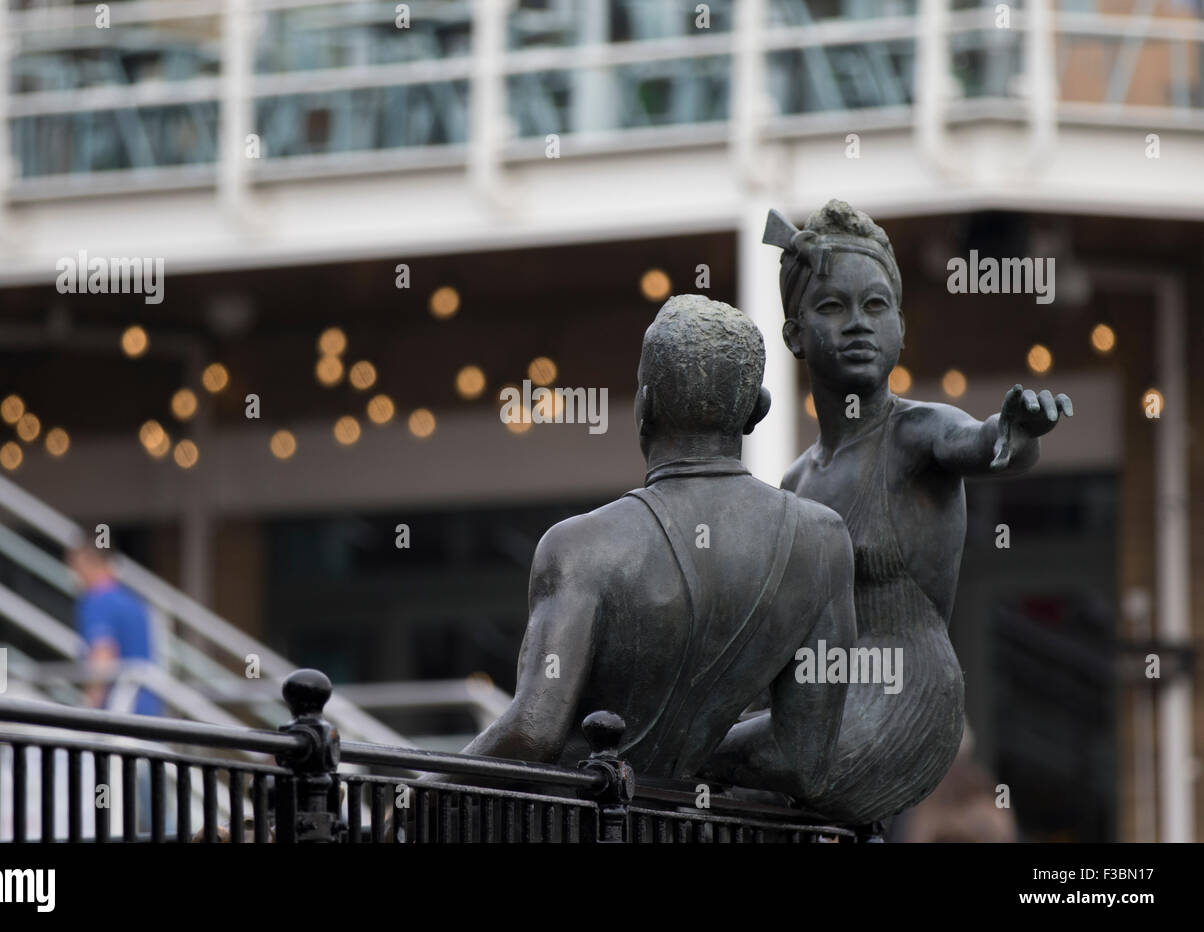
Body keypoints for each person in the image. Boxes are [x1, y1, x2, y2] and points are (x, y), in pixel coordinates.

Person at [705, 200, 1072, 826]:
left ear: (900, 328)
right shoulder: (796, 481)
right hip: (823, 697)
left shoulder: (919, 433)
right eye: (831, 307)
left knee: (723, 760)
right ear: (794, 334)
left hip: (907, 693)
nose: (857, 325)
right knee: (697, 749)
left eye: (875, 307)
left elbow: (984, 445)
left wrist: (1015, 433)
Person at [442, 294, 858, 794]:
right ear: (757, 409)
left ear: (646, 403)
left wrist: (412, 795)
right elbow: (803, 756)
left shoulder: (580, 546)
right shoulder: (824, 540)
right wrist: (688, 757)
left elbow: (534, 731)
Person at [66, 543, 162, 717]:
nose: (73, 574)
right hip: (146, 705)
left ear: (90, 563)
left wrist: (90, 708)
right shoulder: (134, 602)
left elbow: (102, 657)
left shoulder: (97, 601)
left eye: (75, 566)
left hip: (121, 708)